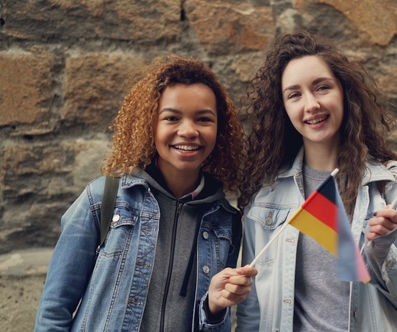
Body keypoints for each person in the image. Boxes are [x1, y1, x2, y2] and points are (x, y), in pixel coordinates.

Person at [35, 55, 257, 332]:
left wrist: (213, 309)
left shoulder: (226, 221)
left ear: (219, 130)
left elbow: (215, 322)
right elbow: (54, 311)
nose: (188, 131)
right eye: (172, 117)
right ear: (150, 124)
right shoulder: (103, 199)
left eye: (203, 119)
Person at [235, 31, 397, 331]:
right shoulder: (266, 193)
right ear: (283, 108)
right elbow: (252, 312)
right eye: (295, 94)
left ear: (344, 92)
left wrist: (383, 254)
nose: (311, 104)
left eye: (322, 88)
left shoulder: (392, 184)